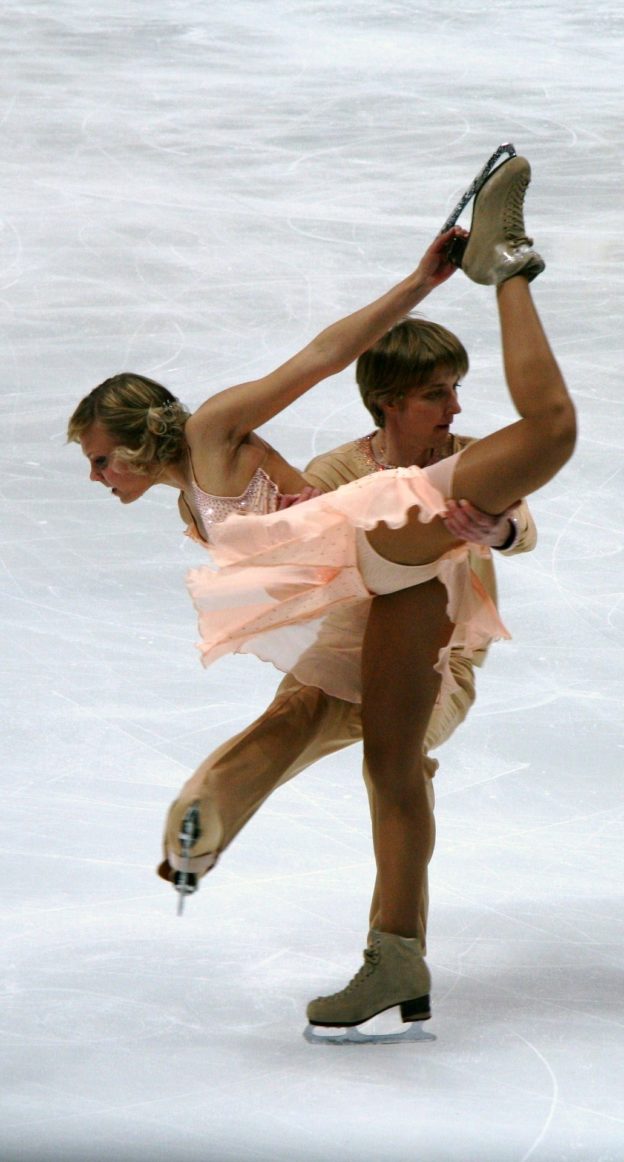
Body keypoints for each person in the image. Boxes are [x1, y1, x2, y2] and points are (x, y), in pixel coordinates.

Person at [68, 153, 577, 1031]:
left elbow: (322, 354)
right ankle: (237, 852)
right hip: (375, 589)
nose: (96, 476)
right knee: (354, 748)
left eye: (99, 457)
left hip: (375, 539)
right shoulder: (193, 494)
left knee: (548, 435)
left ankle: (508, 266)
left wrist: (419, 284)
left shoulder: (213, 431)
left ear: (134, 438)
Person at [154, 314, 537, 956]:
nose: (456, 405)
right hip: (347, 642)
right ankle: (203, 824)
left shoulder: (471, 459)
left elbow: (520, 523)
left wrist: (496, 532)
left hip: (443, 656)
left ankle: (387, 943)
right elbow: (302, 546)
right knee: (301, 718)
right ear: (390, 401)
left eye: (454, 389)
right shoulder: (337, 471)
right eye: (437, 392)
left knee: (391, 753)